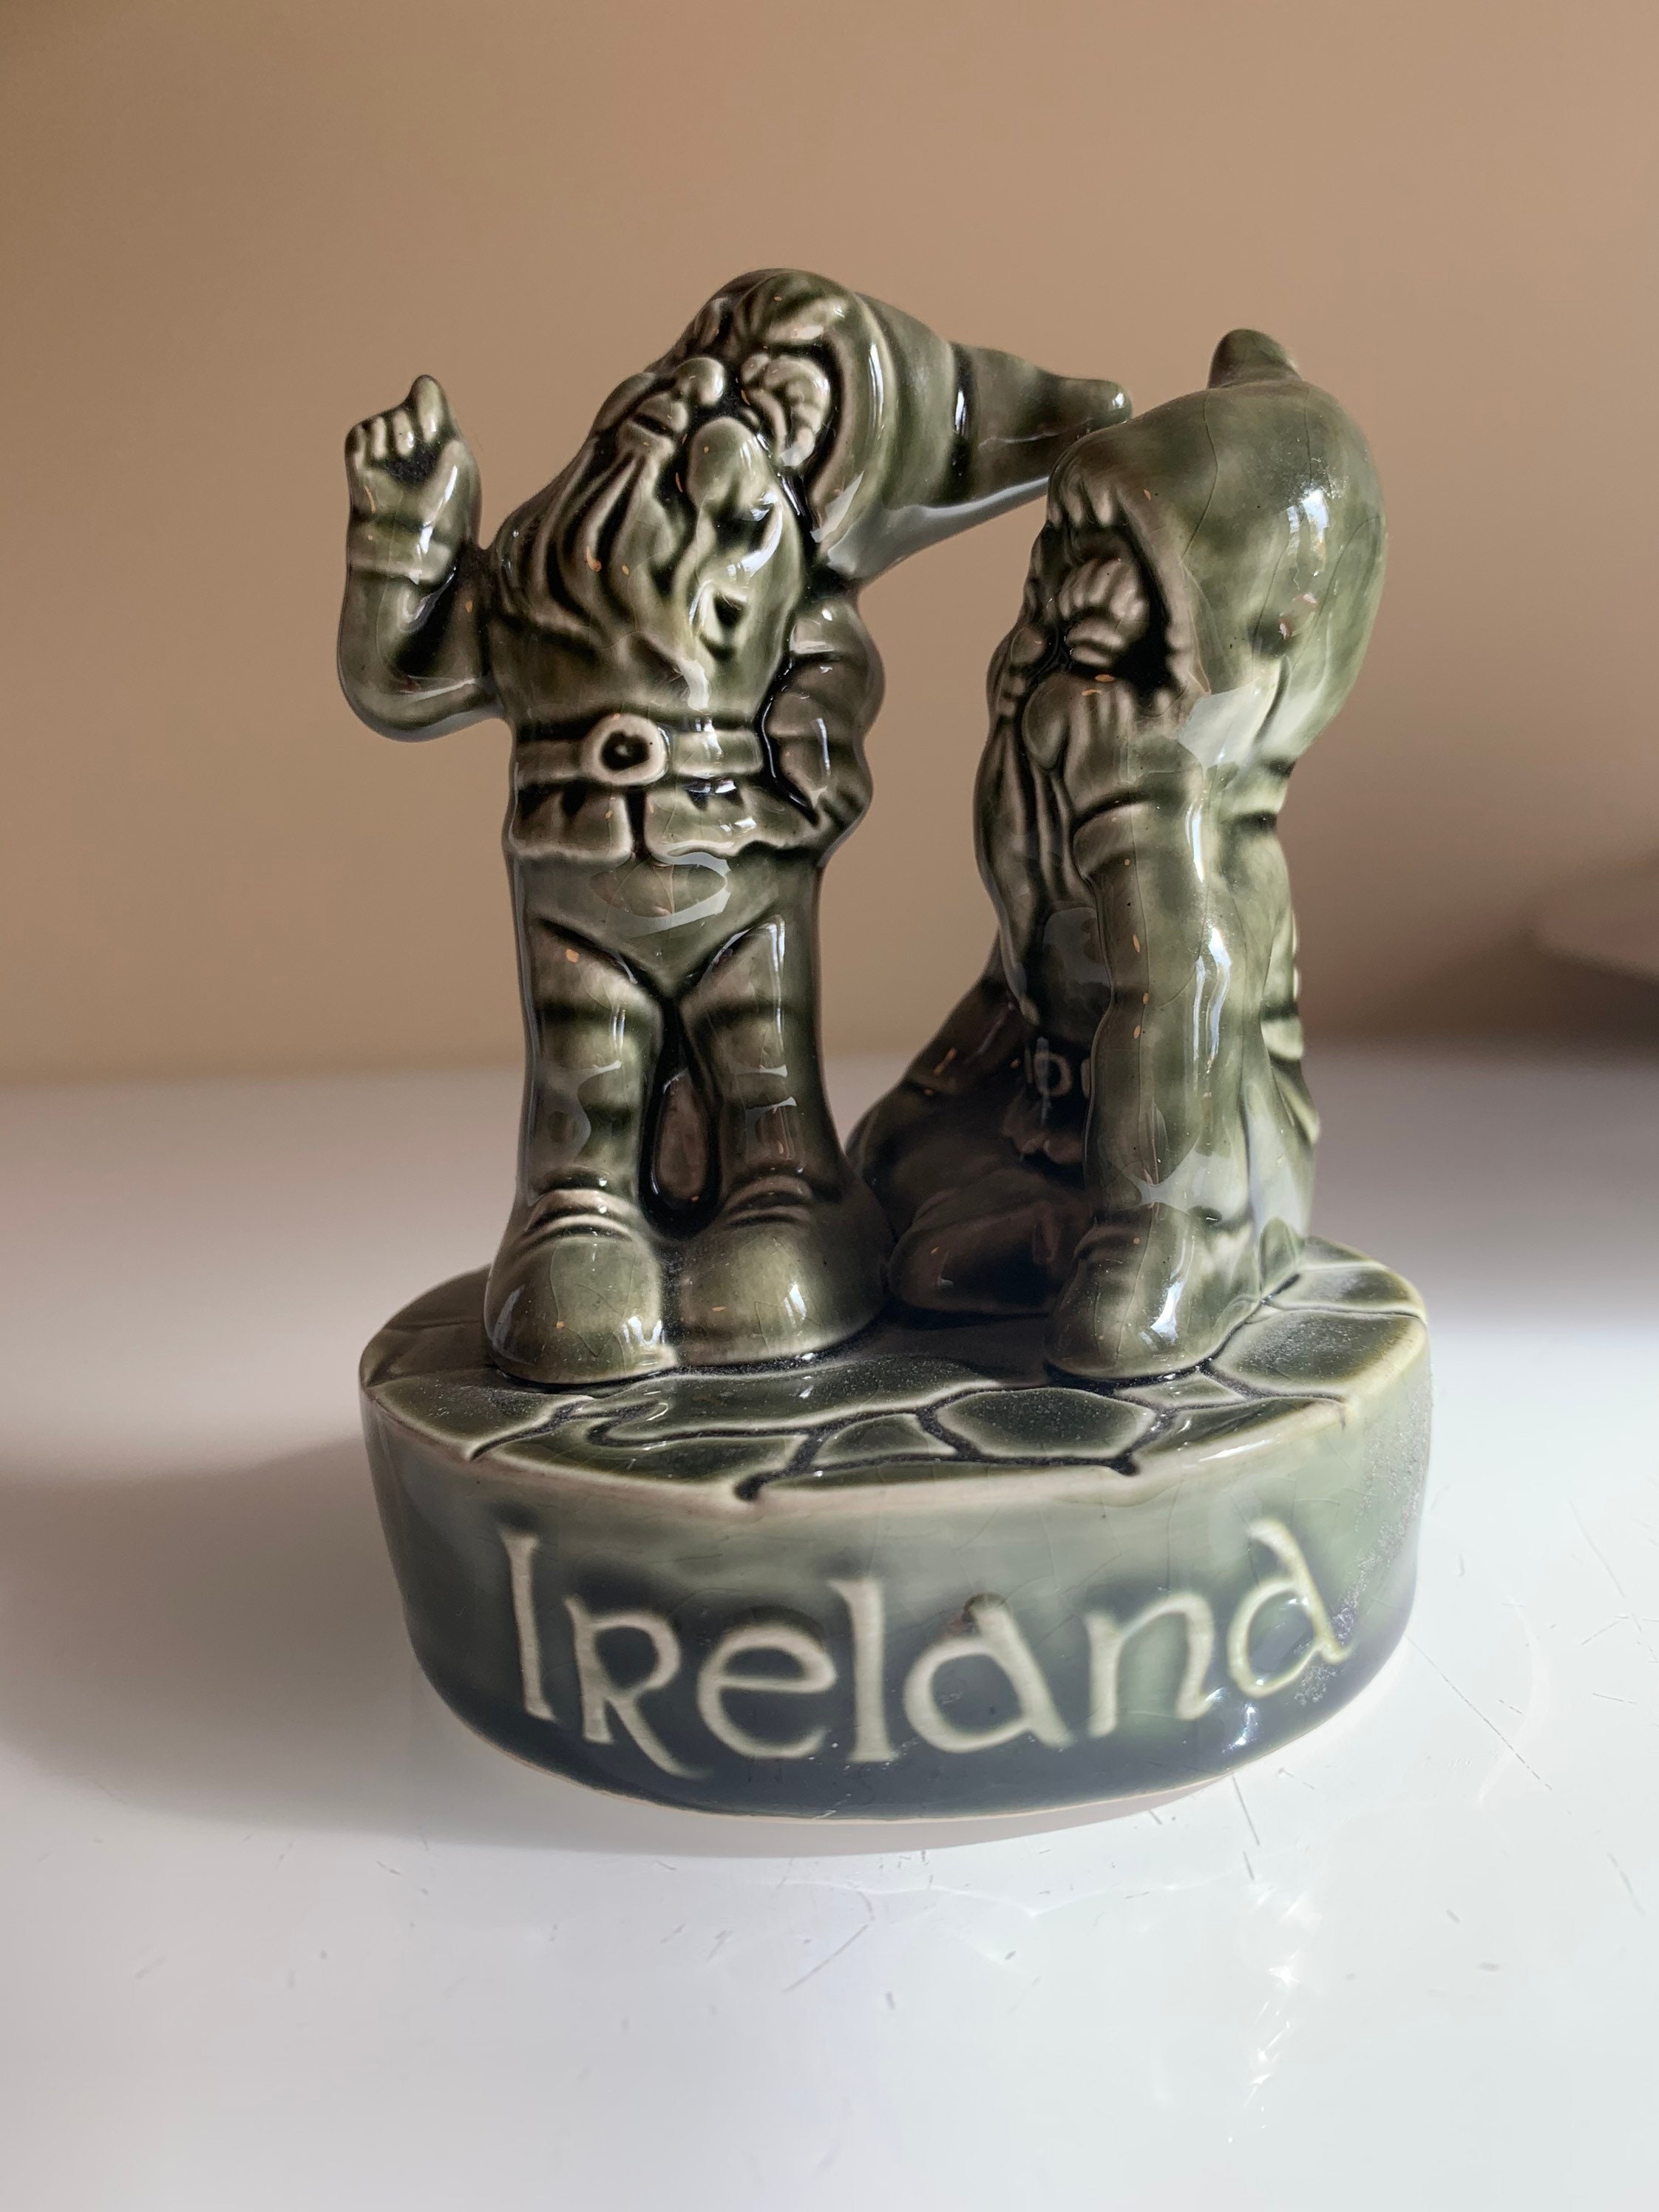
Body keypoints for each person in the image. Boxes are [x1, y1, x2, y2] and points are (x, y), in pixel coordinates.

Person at [338, 270, 1127, 1382]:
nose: (700, 392)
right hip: (574, 903)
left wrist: (785, 792)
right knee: (583, 1108)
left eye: (772, 406)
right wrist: (405, 534)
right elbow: (402, 680)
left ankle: (784, 1207)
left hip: (742, 900)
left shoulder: (787, 596)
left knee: (764, 1093)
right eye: (693, 357)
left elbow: (825, 730)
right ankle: (576, 1218)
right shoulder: (527, 566)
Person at [852, 330, 1386, 1379]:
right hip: (1053, 1114)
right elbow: (1016, 981)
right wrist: (926, 1101)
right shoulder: (1056, 780)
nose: (1074, 601)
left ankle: (1166, 1240)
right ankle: (1058, 1217)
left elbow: (1177, 993)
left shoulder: (1190, 840)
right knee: (885, 1186)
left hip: (1207, 1142)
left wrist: (1143, 805)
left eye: (1125, 575)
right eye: (1066, 557)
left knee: (1090, 1289)